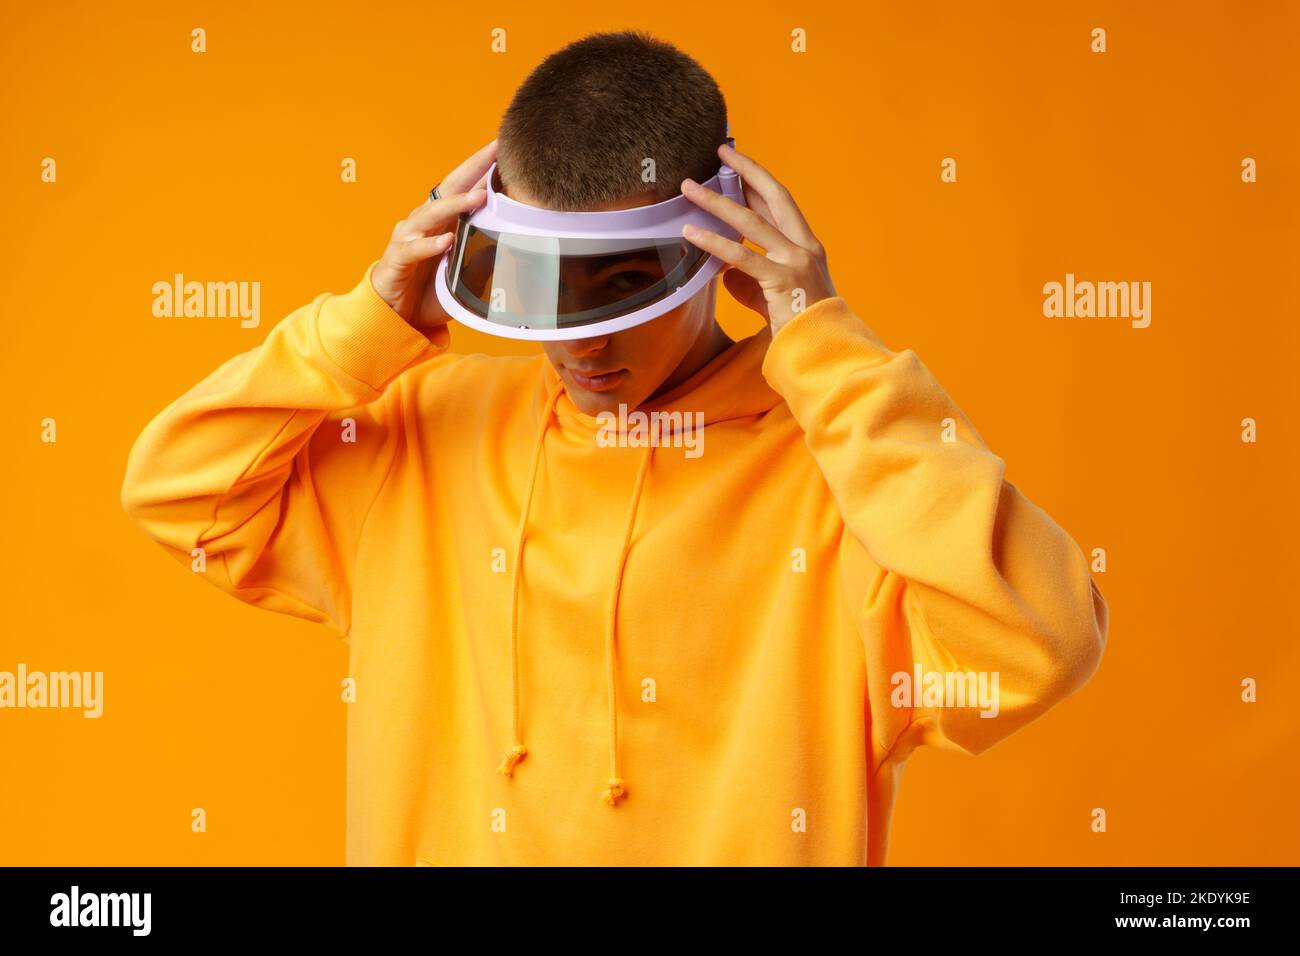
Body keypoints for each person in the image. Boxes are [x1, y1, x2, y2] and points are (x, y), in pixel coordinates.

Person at [121, 30, 1108, 866]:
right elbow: (177, 489)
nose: (579, 340)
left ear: (721, 247)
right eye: (540, 283)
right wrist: (361, 326)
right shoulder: (427, 432)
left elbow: (1038, 640)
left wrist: (822, 345)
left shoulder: (846, 477)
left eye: (621, 281)